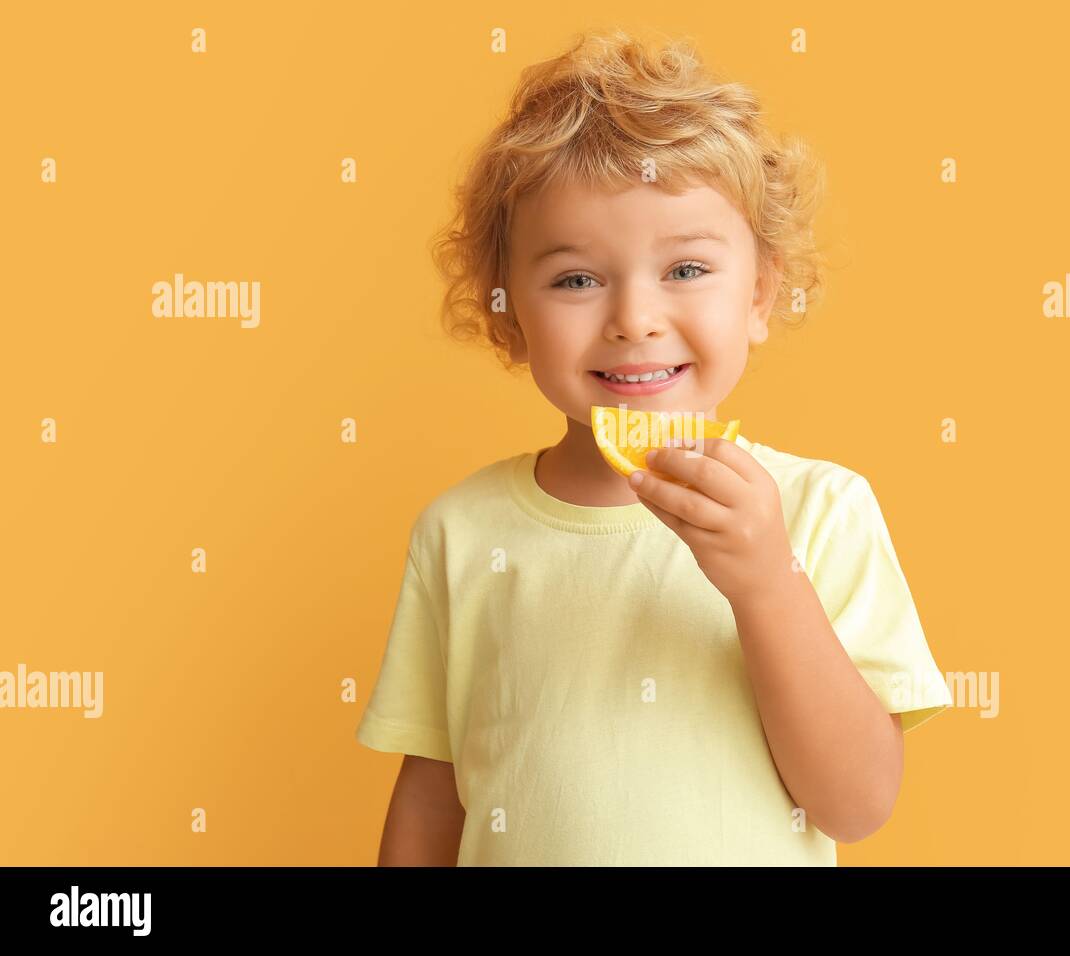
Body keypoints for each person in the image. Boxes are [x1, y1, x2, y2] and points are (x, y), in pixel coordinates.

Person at [356, 28, 952, 866]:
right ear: (507, 316)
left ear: (760, 295)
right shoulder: (461, 532)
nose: (634, 317)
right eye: (575, 279)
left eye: (685, 270)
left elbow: (855, 804)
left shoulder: (822, 511)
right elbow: (432, 794)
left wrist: (766, 583)